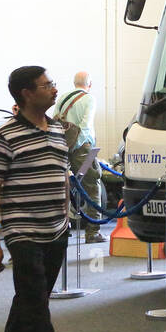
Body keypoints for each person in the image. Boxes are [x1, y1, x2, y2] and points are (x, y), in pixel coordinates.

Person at [0, 66, 75, 332]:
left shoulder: (57, 130)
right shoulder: (4, 136)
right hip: (23, 230)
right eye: (47, 85)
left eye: (53, 83)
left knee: (31, 299)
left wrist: (66, 216)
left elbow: (62, 175)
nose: (53, 90)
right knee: (36, 303)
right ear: (26, 93)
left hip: (56, 229)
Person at [55, 71, 104, 243]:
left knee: (63, 188)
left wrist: (64, 146)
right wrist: (77, 145)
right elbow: (86, 124)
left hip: (62, 148)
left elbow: (54, 121)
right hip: (83, 149)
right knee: (92, 185)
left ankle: (62, 229)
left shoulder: (62, 98)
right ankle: (93, 232)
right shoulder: (89, 99)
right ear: (89, 84)